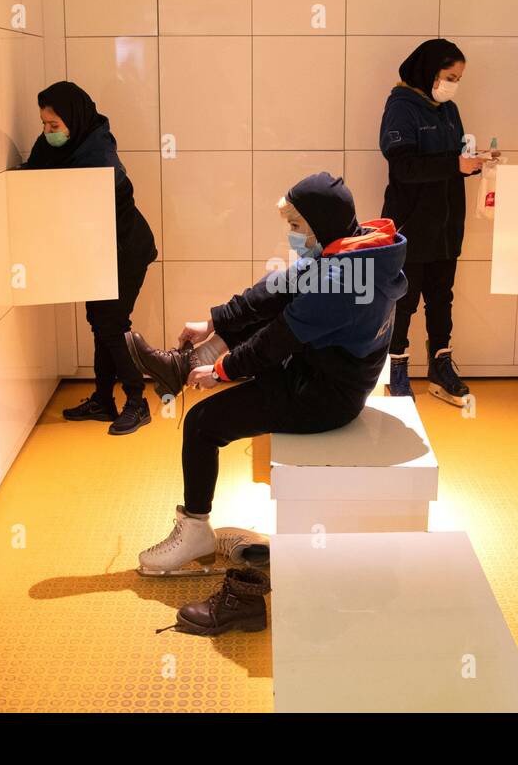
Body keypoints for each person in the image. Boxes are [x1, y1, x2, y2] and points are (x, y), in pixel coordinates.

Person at [124, 173, 407, 576]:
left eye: (295, 227)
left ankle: (195, 531)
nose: (292, 236)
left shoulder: (340, 283)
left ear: (319, 224)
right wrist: (213, 322)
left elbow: (277, 340)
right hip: (320, 367)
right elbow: (277, 288)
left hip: (325, 396)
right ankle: (182, 363)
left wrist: (222, 371)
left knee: (202, 423)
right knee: (274, 302)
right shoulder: (357, 249)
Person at [23, 80, 158, 435]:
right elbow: (35, 178)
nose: (47, 132)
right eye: (44, 125)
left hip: (125, 249)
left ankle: (137, 402)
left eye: (54, 125)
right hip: (96, 248)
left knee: (111, 325)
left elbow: (82, 198)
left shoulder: (98, 154)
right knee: (99, 322)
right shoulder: (62, 145)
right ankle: (102, 400)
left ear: (74, 119)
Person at [377, 38, 498, 406]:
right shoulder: (401, 108)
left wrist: (475, 162)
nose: (453, 84)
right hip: (410, 225)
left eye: (458, 77)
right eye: (449, 76)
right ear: (429, 71)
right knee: (404, 300)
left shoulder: (449, 110)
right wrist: (453, 166)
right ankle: (396, 368)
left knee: (441, 299)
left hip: (446, 224)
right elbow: (403, 167)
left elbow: (453, 160)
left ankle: (441, 366)